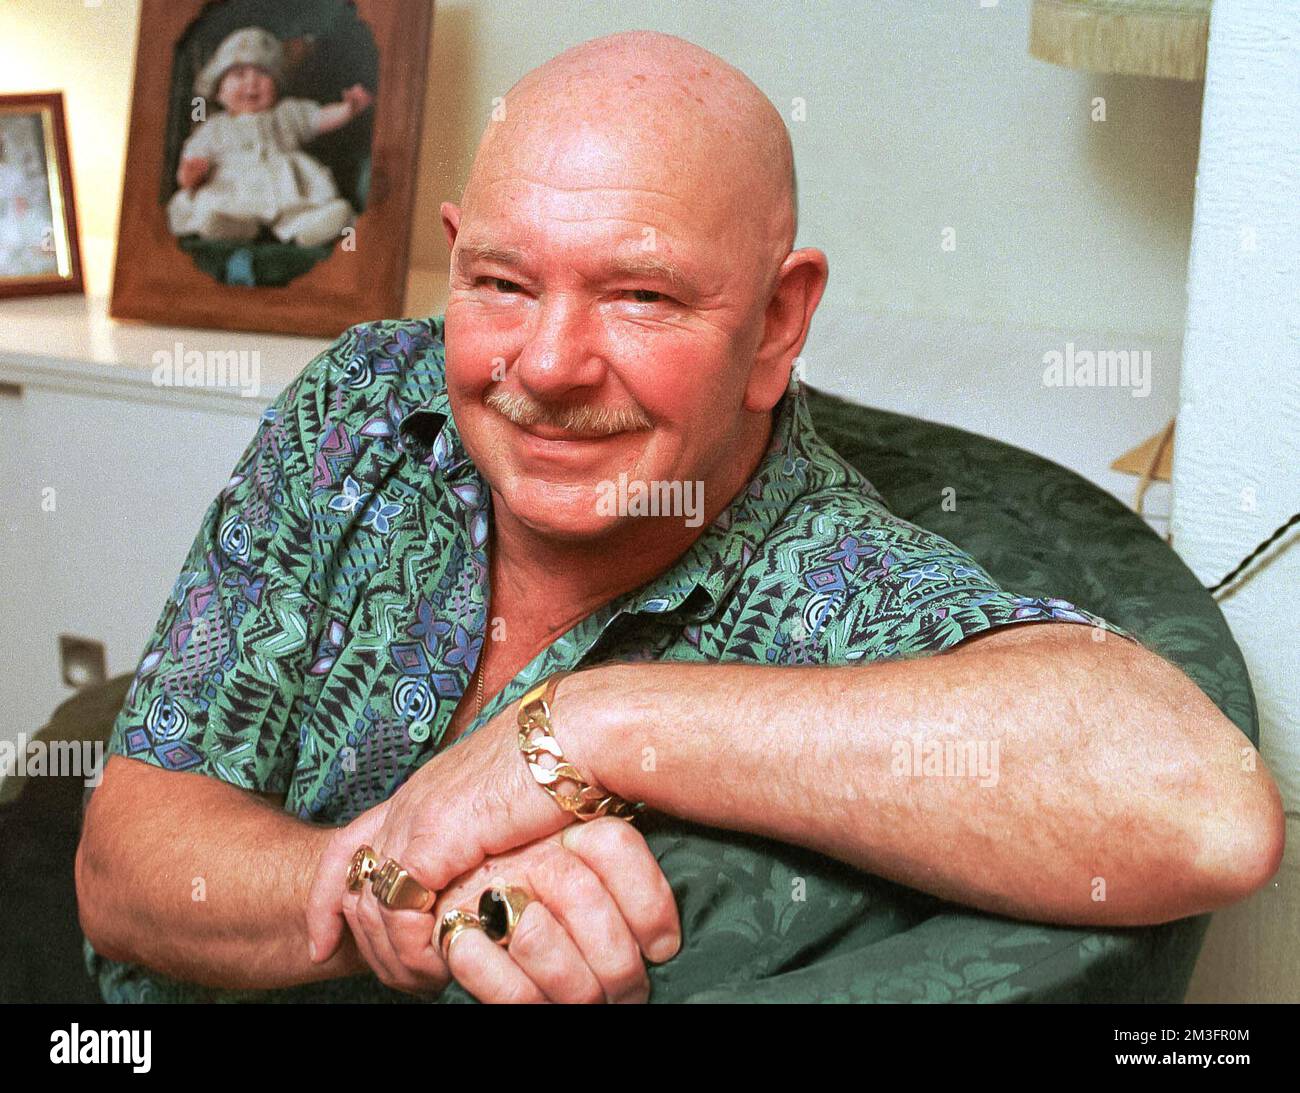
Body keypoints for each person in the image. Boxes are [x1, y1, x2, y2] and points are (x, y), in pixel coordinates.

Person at [77, 30, 1284, 1004]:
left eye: (640, 294)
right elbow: (122, 864)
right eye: (501, 281)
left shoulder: (827, 575)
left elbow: (1205, 807)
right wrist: (381, 890)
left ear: (776, 323)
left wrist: (584, 727)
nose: (544, 364)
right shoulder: (364, 396)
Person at [166, 26, 371, 247]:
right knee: (210, 204)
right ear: (219, 91)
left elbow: (319, 118)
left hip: (285, 190)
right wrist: (192, 172)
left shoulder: (287, 113)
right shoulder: (214, 127)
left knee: (306, 206)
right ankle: (234, 227)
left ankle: (308, 227)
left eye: (263, 73)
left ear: (278, 84)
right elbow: (195, 155)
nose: (252, 83)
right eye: (239, 74)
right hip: (233, 191)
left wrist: (348, 109)